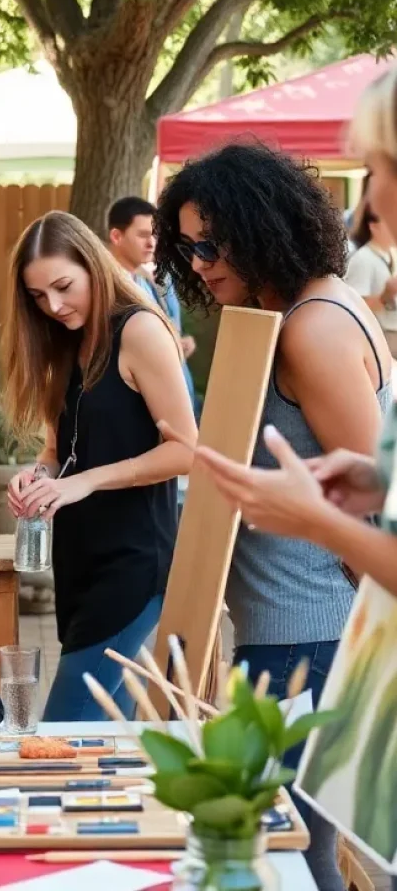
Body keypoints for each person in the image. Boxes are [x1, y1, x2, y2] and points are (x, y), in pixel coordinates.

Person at [154, 141, 392, 891]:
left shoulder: (312, 327)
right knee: (295, 850)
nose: (197, 261)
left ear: (262, 226)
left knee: (284, 852)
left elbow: (375, 504)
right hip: (295, 633)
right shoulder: (296, 312)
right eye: (187, 247)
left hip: (313, 638)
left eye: (211, 243)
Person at [3, 212, 196, 721]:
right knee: (105, 743)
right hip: (79, 563)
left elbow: (186, 450)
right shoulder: (64, 340)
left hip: (132, 563)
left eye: (64, 287)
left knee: (64, 735)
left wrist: (86, 482)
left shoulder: (139, 330)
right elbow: (57, 452)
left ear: (93, 263)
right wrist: (37, 480)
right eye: (39, 297)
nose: (54, 306)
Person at [108, 196, 198, 412]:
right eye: (142, 235)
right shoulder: (109, 289)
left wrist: (179, 342)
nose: (152, 243)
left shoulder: (150, 280)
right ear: (116, 236)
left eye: (155, 234)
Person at [345, 193, 397, 358]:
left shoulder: (390, 253)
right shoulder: (363, 259)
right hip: (382, 339)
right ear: (373, 226)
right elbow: (355, 309)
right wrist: (386, 295)